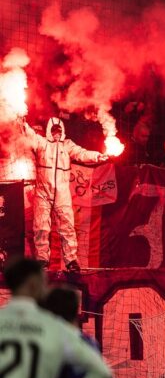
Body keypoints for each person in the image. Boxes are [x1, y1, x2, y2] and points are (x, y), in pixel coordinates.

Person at [19, 117, 114, 273]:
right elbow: (29, 135)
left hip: (62, 192)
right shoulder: (42, 143)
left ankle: (71, 260)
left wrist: (97, 156)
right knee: (41, 227)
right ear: (50, 130)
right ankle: (42, 259)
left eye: (59, 130)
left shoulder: (67, 145)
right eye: (54, 130)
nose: (57, 133)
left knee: (67, 226)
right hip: (43, 191)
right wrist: (21, 120)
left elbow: (81, 153)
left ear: (62, 131)